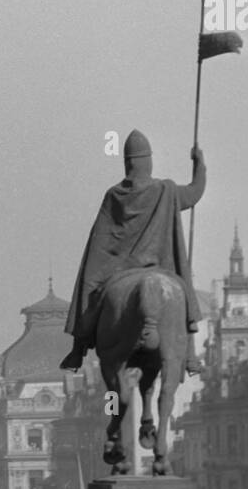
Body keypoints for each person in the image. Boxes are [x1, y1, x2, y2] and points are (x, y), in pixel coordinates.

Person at [62, 130, 206, 367]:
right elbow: (194, 193)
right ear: (148, 161)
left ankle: (79, 347)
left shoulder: (114, 195)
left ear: (127, 163)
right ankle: (190, 352)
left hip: (118, 270)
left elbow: (100, 242)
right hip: (161, 267)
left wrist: (100, 267)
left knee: (89, 274)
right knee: (183, 288)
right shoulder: (166, 190)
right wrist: (200, 164)